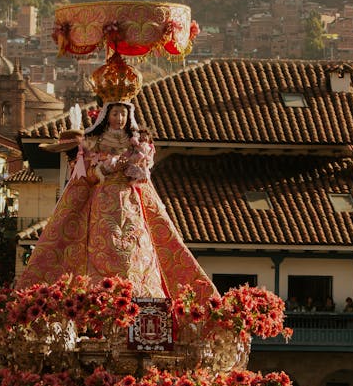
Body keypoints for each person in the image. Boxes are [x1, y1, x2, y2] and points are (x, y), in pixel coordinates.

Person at [14, 69, 217, 301]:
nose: (119, 119)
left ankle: (138, 290)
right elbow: (86, 175)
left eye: (123, 114)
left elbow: (143, 177)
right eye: (115, 114)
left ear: (128, 116)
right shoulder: (93, 142)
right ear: (106, 115)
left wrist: (135, 167)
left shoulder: (137, 143)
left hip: (131, 201)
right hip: (103, 200)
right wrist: (104, 169)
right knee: (104, 246)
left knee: (136, 244)